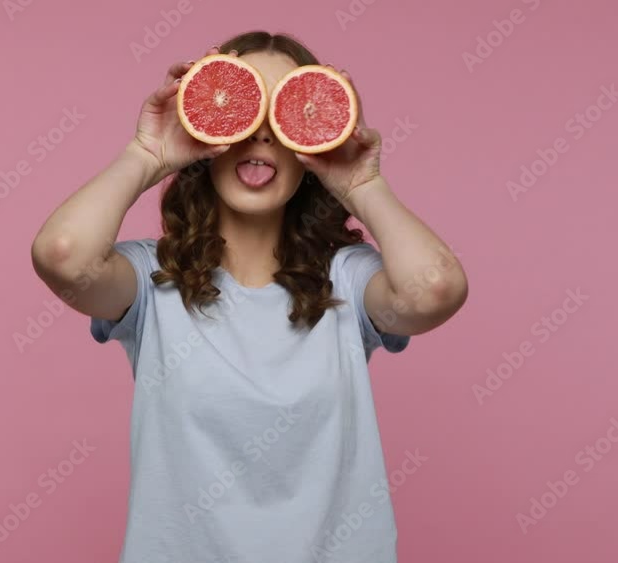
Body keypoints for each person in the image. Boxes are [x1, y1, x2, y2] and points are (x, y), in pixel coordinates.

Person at [31, 30, 468, 563]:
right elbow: (62, 255)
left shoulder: (348, 282)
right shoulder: (152, 278)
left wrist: (361, 185)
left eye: (283, 112)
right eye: (241, 106)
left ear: (310, 142)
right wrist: (147, 153)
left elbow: (437, 289)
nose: (260, 133)